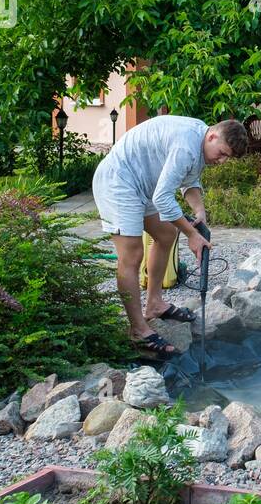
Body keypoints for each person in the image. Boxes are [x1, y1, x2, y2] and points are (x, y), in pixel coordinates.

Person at [92, 115, 249, 356]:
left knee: (166, 234)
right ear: (213, 136)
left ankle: (154, 305)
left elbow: (189, 179)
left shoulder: (200, 140)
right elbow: (163, 199)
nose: (223, 161)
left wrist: (199, 211)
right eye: (223, 153)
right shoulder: (187, 145)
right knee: (132, 254)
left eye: (227, 157)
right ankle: (138, 329)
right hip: (118, 181)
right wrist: (192, 235)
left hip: (142, 185)